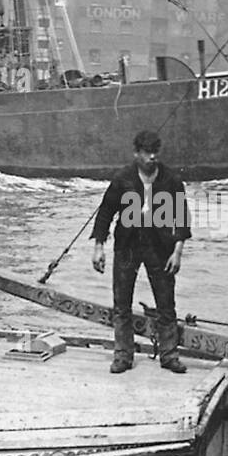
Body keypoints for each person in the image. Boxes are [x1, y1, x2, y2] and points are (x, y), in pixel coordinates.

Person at [91, 130, 190, 374]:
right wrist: (98, 247)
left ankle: (169, 355)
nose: (152, 157)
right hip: (128, 246)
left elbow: (182, 218)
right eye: (147, 153)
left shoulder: (171, 180)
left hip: (160, 247)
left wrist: (177, 251)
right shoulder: (122, 179)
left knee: (166, 304)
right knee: (121, 304)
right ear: (136, 153)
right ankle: (123, 356)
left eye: (155, 152)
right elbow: (105, 213)